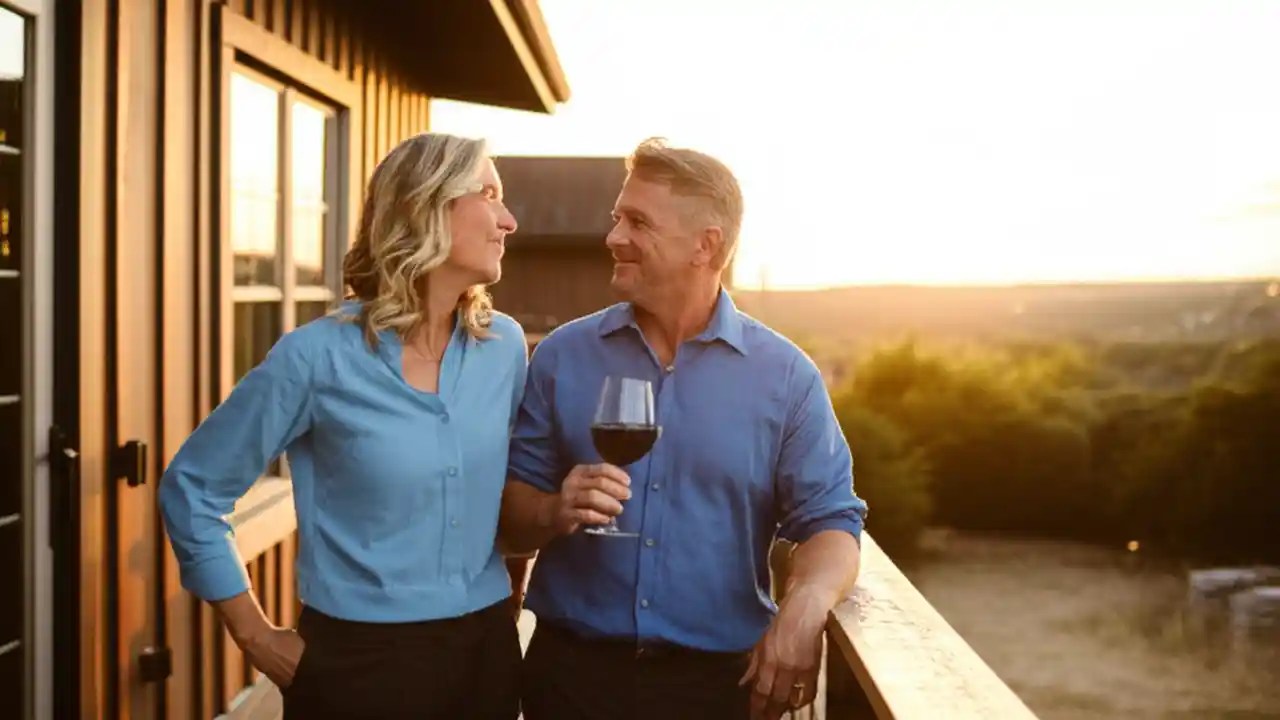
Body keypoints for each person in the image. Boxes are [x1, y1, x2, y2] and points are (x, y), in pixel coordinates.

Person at [159, 132, 526, 719]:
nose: (508, 220)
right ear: (425, 206)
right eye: (488, 194)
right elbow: (192, 489)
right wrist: (255, 636)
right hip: (358, 665)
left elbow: (512, 482)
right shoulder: (315, 357)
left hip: (486, 652)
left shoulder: (503, 346)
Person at [499, 138, 869, 720]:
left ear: (706, 245)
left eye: (638, 222)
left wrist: (807, 604)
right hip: (570, 680)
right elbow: (511, 512)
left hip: (718, 691)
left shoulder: (785, 376)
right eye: (617, 217)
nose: (613, 236)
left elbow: (830, 521)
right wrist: (554, 510)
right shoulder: (561, 356)